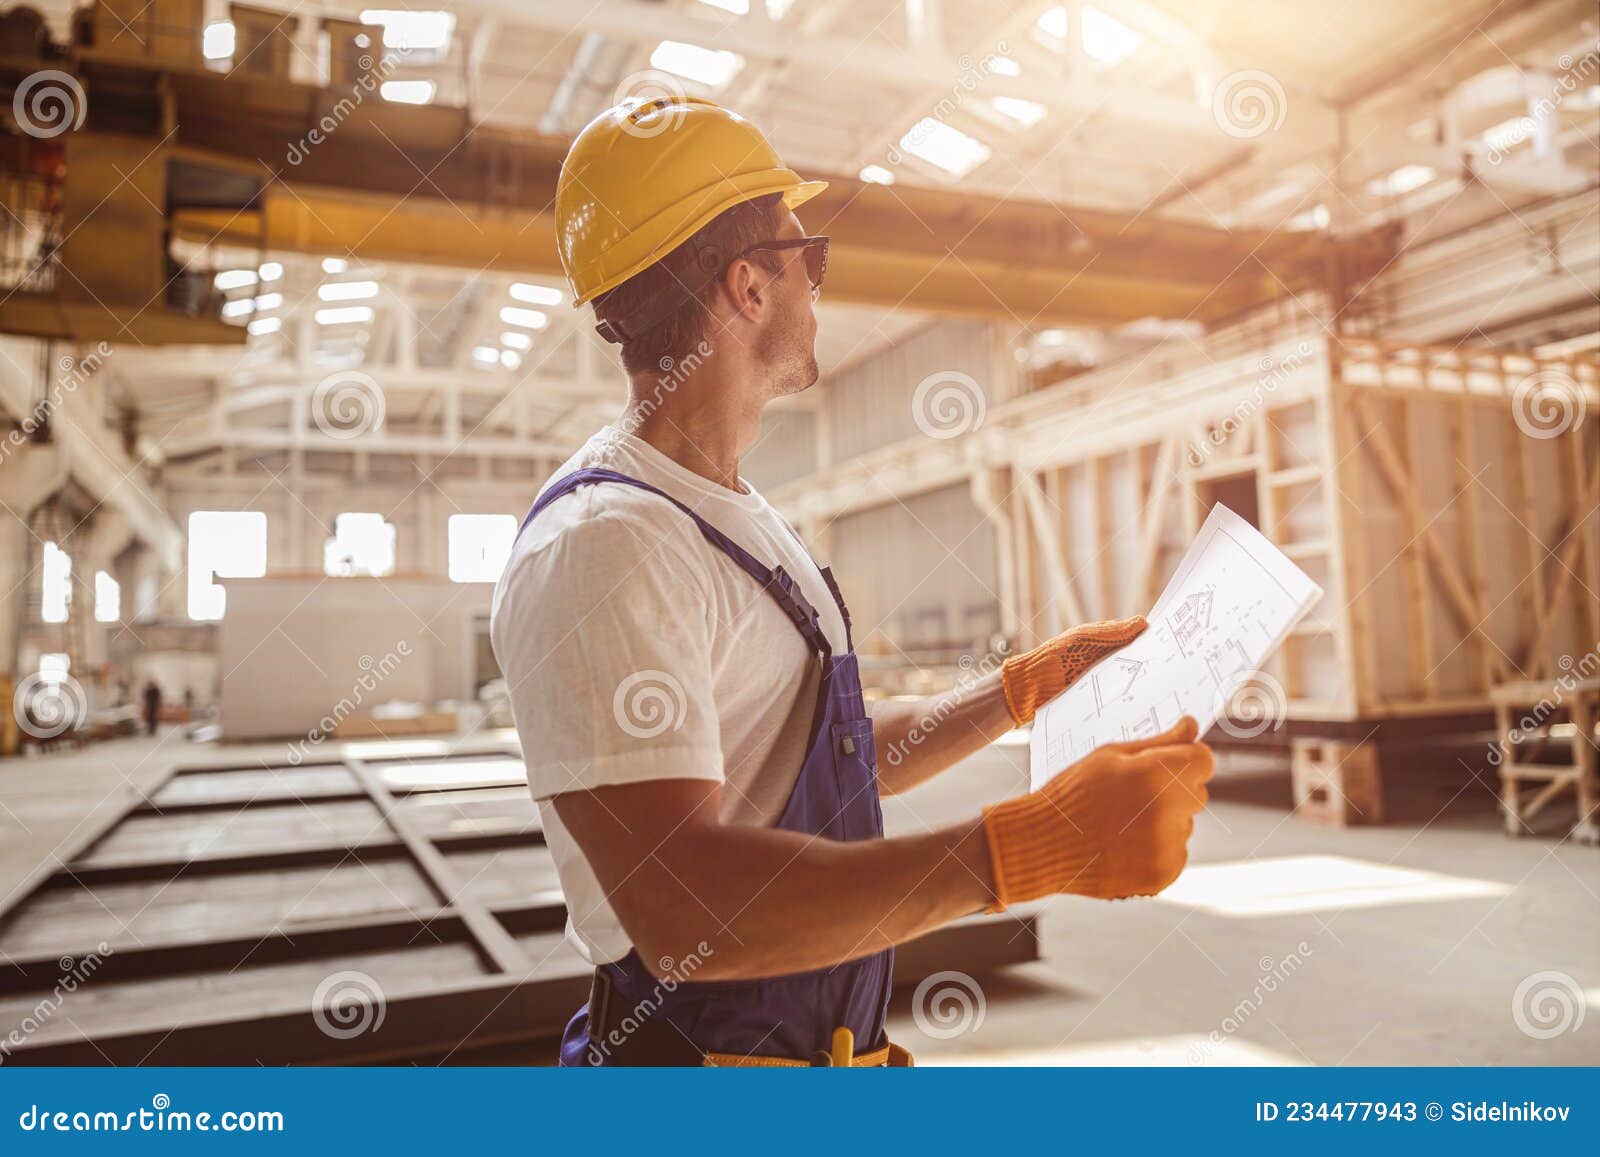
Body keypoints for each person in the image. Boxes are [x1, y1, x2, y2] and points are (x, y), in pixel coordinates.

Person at [490, 96, 1212, 1068]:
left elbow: (812, 766)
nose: (818, 288)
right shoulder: (607, 544)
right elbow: (678, 903)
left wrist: (1013, 693)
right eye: (808, 256)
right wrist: (1016, 851)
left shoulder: (732, 511)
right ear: (747, 287)